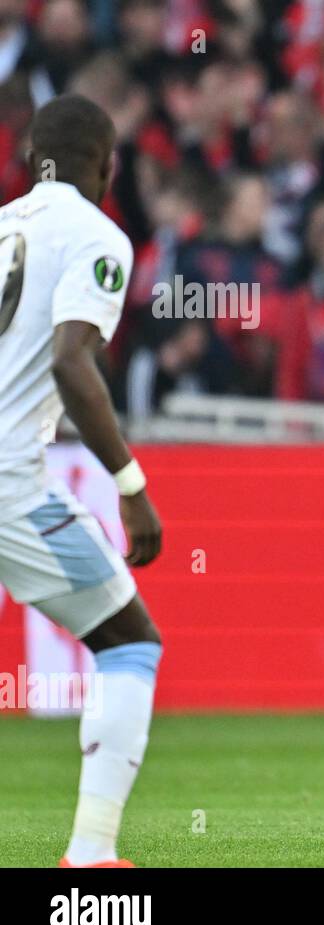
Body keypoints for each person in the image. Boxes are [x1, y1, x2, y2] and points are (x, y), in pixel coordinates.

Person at [0, 94, 164, 867]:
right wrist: (130, 485)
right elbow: (73, 364)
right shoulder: (99, 235)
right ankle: (92, 859)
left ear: (35, 161)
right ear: (106, 164)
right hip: (9, 482)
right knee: (129, 642)